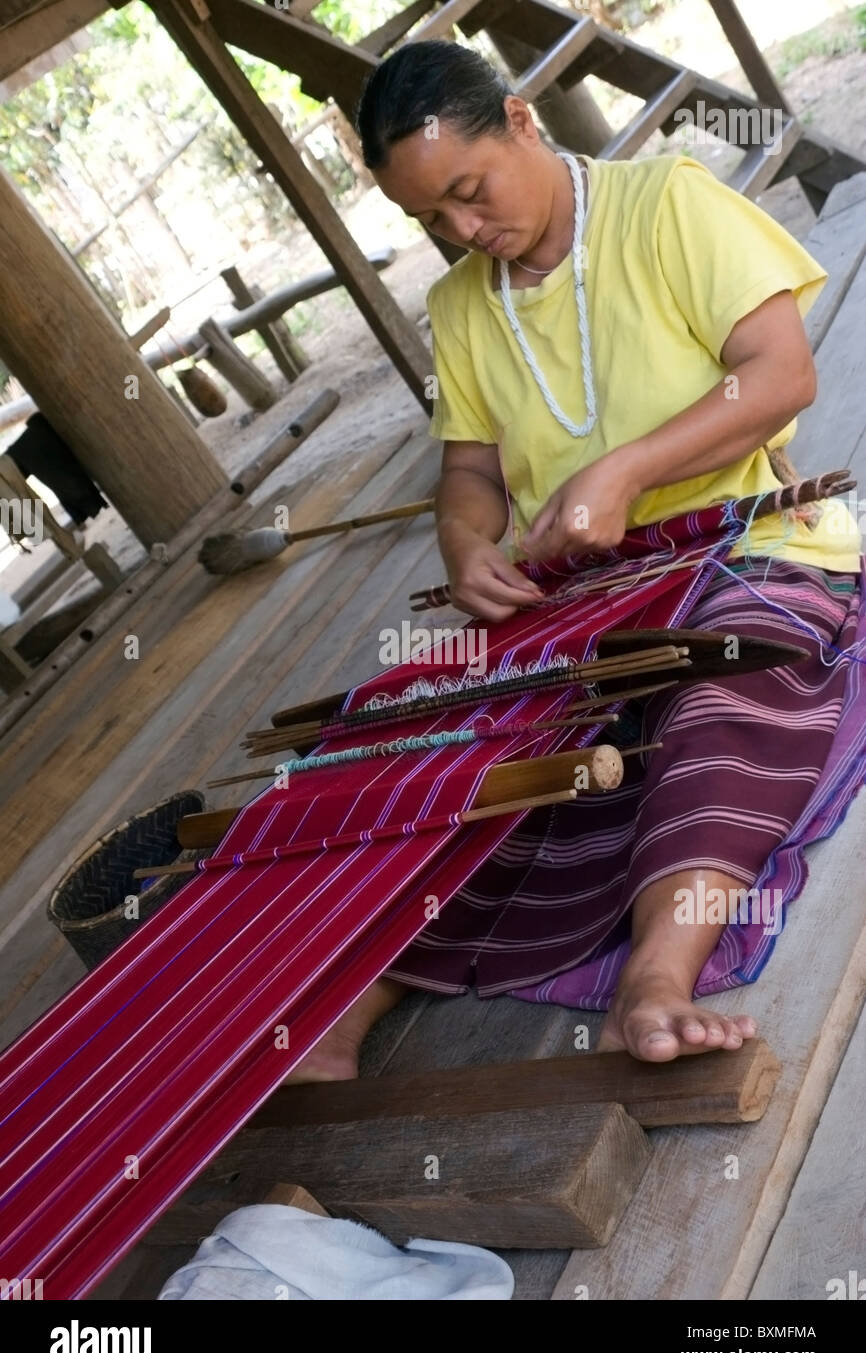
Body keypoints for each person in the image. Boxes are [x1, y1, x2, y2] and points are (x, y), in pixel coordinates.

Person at [289, 40, 863, 1080]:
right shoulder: (464, 305)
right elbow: (469, 473)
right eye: (431, 221)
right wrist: (466, 545)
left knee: (720, 702)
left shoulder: (664, 206)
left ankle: (655, 977)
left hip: (739, 546)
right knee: (450, 758)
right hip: (574, 598)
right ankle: (343, 1012)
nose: (464, 231)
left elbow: (776, 376)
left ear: (518, 121)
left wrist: (624, 473)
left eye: (468, 193)